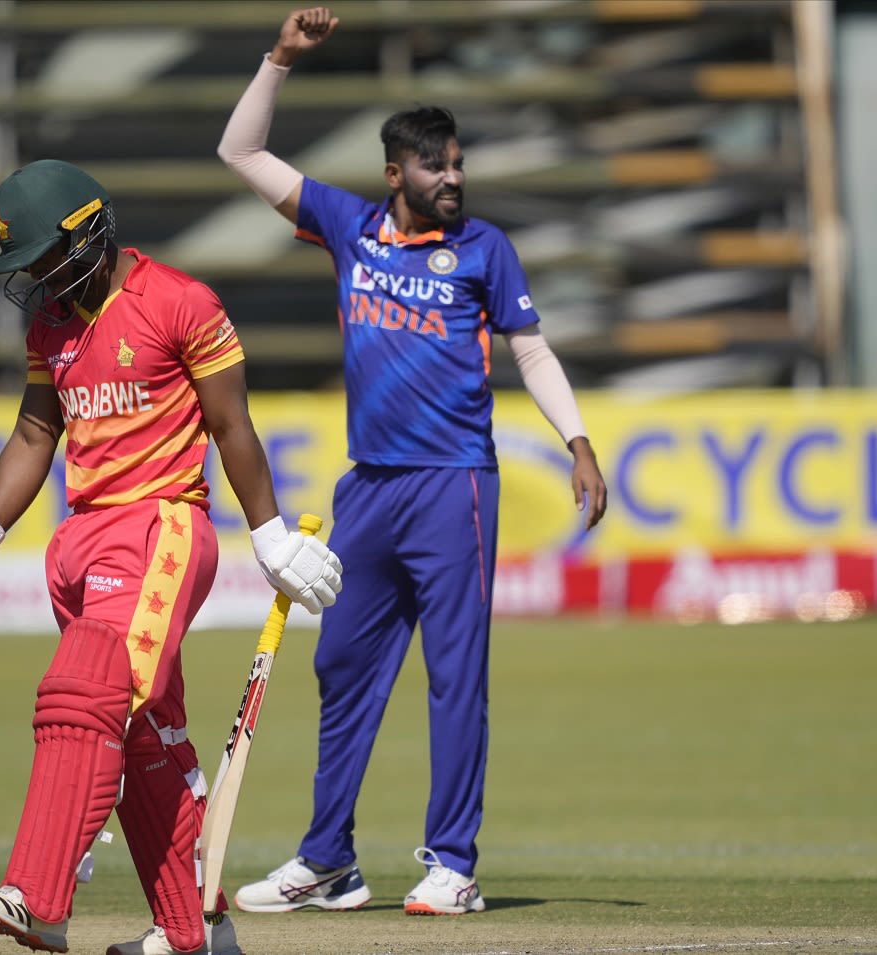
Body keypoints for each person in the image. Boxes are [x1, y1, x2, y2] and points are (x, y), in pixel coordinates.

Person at [216, 6, 609, 917]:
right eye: (435, 165)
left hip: (455, 485)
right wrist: (279, 59)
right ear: (396, 173)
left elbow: (533, 350)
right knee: (342, 665)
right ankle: (329, 862)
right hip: (370, 489)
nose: (453, 178)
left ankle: (453, 864)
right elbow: (240, 153)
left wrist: (577, 441)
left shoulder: (483, 248)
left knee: (454, 674)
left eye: (459, 163)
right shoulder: (350, 227)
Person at [0, 158, 343, 955]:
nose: (40, 277)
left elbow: (232, 427)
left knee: (84, 692)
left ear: (91, 230)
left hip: (162, 528)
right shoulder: (49, 324)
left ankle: (40, 894)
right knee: (149, 740)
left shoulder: (180, 302)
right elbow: (36, 432)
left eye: (48, 255)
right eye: (28, 265)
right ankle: (195, 931)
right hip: (80, 542)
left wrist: (271, 536)